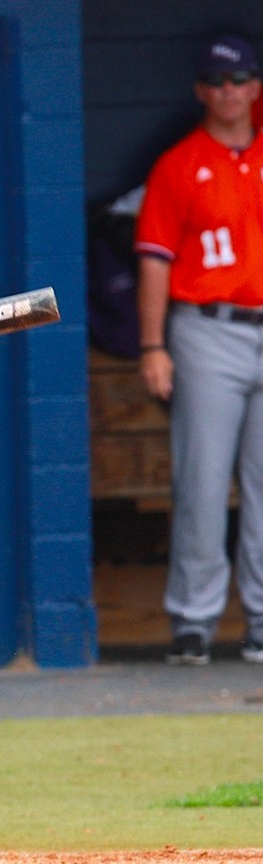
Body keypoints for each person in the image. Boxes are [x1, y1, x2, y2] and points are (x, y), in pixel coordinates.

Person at [135, 33, 263, 665]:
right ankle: (194, 621)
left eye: (239, 80)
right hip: (207, 326)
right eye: (217, 82)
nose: (229, 93)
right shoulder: (180, 163)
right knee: (203, 481)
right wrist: (154, 344)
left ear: (256, 86)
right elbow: (154, 260)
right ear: (200, 92)